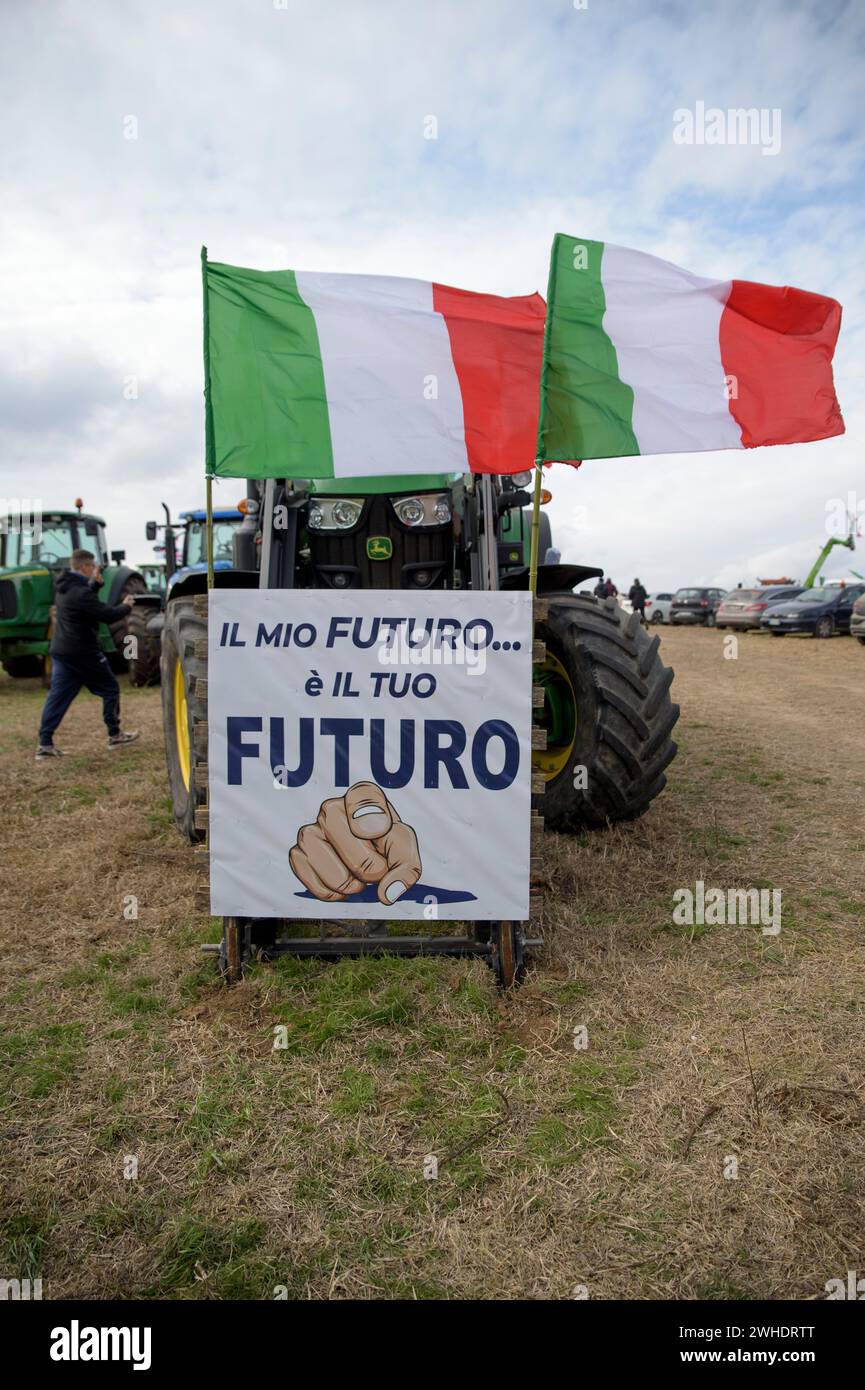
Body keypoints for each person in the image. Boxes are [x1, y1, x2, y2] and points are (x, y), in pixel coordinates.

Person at [36, 549, 140, 759]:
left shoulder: (65, 588)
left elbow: (82, 602)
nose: (94, 570)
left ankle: (44, 744)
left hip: (62, 652)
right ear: (84, 567)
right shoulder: (81, 593)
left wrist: (96, 584)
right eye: (92, 567)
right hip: (83, 652)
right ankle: (115, 734)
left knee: (58, 698)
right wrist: (126, 607)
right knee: (110, 689)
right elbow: (106, 615)